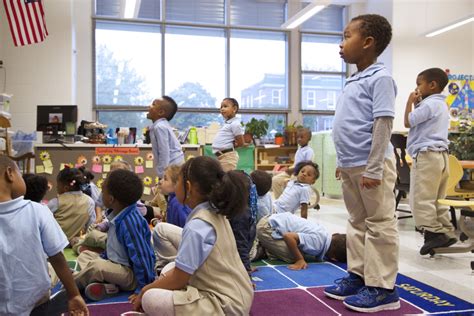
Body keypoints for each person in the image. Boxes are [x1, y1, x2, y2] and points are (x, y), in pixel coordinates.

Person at [324, 14, 400, 313]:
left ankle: (383, 288)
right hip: (352, 165)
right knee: (356, 222)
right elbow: (349, 125)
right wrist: (344, 162)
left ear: (367, 42)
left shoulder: (380, 78)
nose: (340, 45)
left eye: (346, 37)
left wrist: (374, 167)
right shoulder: (354, 79)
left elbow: (383, 124)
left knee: (379, 224)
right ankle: (358, 275)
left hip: (372, 165)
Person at [134, 156, 254, 315]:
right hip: (239, 295)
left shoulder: (197, 226)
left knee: (150, 298)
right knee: (169, 269)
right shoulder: (214, 211)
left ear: (188, 187)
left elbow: (179, 278)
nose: (175, 186)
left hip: (225, 305)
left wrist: (145, 290)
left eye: (177, 182)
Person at [0, 156, 89, 316]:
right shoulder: (37, 210)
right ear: (9, 174)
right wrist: (74, 294)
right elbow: (57, 257)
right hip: (37, 301)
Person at [74, 169, 156, 302]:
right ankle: (109, 287)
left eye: (103, 191)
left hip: (131, 275)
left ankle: (69, 285)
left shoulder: (130, 222)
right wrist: (103, 257)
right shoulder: (117, 215)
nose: (100, 195)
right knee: (86, 255)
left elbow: (142, 257)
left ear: (111, 199)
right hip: (116, 265)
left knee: (96, 267)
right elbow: (114, 247)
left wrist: (143, 288)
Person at [404, 67, 456, 254]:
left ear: (432, 85)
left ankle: (434, 233)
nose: (416, 88)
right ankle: (447, 231)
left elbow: (408, 122)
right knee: (437, 198)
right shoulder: (441, 104)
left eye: (419, 84)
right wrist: (418, 103)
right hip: (442, 156)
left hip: (426, 155)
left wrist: (410, 103)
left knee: (421, 198)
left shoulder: (429, 104)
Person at [257, 212, 347, 270]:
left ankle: (269, 244)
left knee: (300, 251)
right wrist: (299, 259)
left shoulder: (324, 234)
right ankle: (261, 249)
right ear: (333, 258)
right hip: (266, 228)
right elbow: (288, 236)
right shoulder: (318, 244)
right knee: (292, 257)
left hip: (273, 219)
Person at [47, 167, 96, 243]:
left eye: (58, 185)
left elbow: (45, 224)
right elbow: (91, 225)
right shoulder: (89, 202)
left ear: (65, 188)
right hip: (75, 244)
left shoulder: (55, 202)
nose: (56, 187)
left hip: (55, 244)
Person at [147, 96, 185, 178]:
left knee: (167, 190)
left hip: (173, 168)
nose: (149, 106)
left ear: (160, 112)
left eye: (153, 104)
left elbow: (164, 152)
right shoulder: (161, 125)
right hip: (173, 166)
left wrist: (162, 174)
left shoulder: (160, 127)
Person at [272, 127, 314, 199]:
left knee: (287, 184)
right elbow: (296, 163)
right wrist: (289, 168)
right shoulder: (299, 149)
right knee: (275, 179)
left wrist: (293, 169)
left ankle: (289, 201)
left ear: (309, 139)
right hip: (294, 170)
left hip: (301, 173)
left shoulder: (309, 151)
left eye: (302, 137)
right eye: (298, 137)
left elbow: (307, 166)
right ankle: (279, 200)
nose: (299, 139)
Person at [212, 97, 245, 172]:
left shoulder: (235, 124)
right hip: (222, 156)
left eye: (225, 106)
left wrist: (230, 146)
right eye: (221, 107)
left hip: (228, 157)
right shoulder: (227, 123)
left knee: (226, 180)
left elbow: (241, 143)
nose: (222, 109)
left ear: (234, 109)